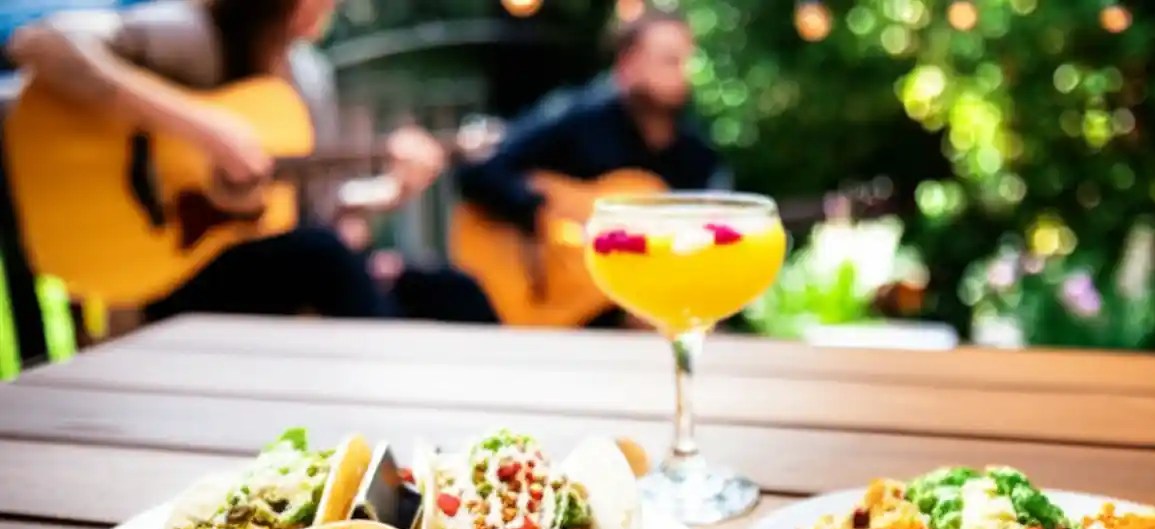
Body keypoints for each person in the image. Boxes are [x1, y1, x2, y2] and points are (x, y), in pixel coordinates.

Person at [3, 0, 496, 329]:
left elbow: (313, 219)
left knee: (451, 290)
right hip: (167, 274)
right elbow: (37, 44)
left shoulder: (309, 77)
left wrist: (389, 191)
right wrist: (200, 128)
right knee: (325, 260)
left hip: (241, 272)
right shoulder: (192, 34)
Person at [455, 8, 729, 327]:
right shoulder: (578, 118)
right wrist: (544, 215)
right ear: (629, 63)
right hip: (552, 308)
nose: (683, 73)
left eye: (686, 61)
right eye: (669, 60)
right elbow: (479, 173)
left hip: (631, 320)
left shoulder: (694, 154)